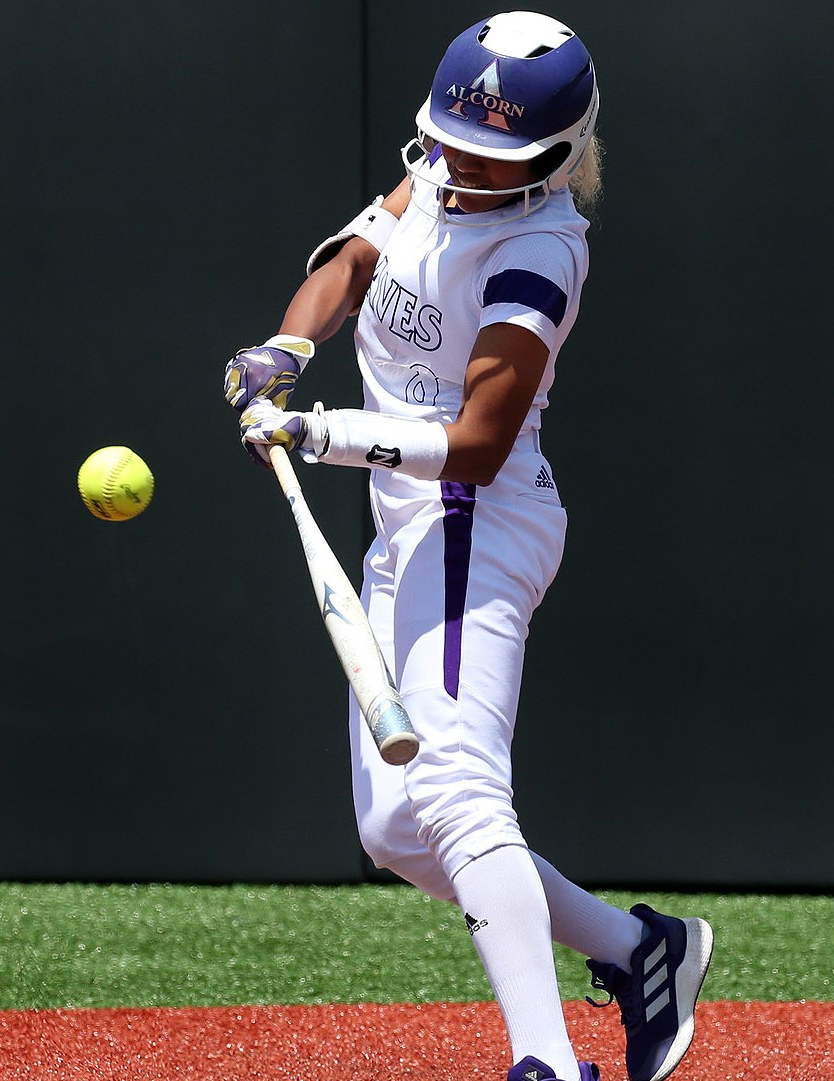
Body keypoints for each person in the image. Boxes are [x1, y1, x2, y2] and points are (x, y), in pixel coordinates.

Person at [224, 13, 713, 1081]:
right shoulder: (438, 171)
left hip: (473, 523)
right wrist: (286, 348)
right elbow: (353, 259)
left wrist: (319, 432)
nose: (461, 168)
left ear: (550, 158)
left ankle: (545, 1062)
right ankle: (642, 951)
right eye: (452, 143)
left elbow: (479, 447)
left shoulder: (539, 252)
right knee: (400, 829)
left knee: (456, 795)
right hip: (406, 520)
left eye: (491, 156)